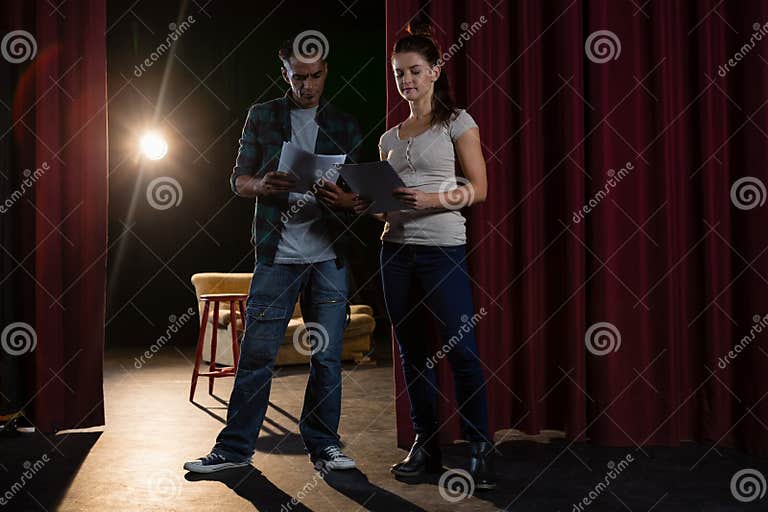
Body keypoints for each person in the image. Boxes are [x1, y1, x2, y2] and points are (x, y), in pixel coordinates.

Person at [184, 31, 361, 474]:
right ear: (284, 73)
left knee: (325, 357)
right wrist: (262, 185)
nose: (306, 86)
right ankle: (234, 450)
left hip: (327, 257)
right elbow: (238, 180)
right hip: (277, 255)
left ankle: (325, 446)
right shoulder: (261, 116)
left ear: (325, 71)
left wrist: (344, 200)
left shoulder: (344, 122)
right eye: (297, 77)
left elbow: (361, 195)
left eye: (315, 76)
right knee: (257, 356)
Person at [355, 19, 496, 489]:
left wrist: (434, 199)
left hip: (442, 251)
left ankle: (480, 447)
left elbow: (478, 190)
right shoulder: (389, 139)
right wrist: (369, 205)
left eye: (415, 70)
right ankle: (426, 444)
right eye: (399, 74)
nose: (407, 80)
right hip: (394, 253)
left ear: (436, 70)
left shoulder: (458, 122)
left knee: (462, 353)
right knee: (412, 354)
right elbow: (386, 209)